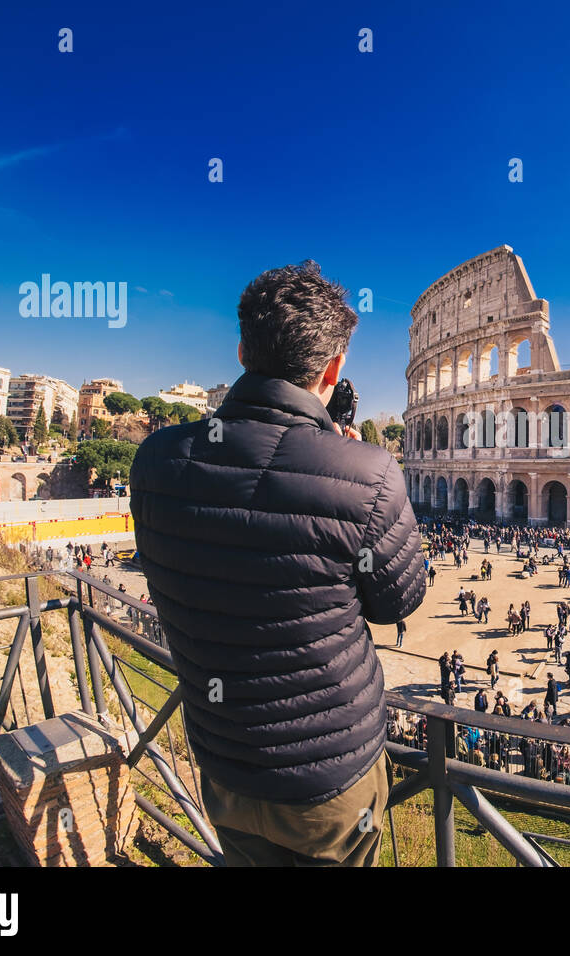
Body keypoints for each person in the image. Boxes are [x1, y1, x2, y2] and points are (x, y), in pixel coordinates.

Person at [130, 260, 425, 867]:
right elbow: (398, 600)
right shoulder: (369, 474)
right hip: (331, 777)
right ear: (334, 367)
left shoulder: (155, 460)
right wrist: (345, 464)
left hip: (223, 758)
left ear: (241, 349)